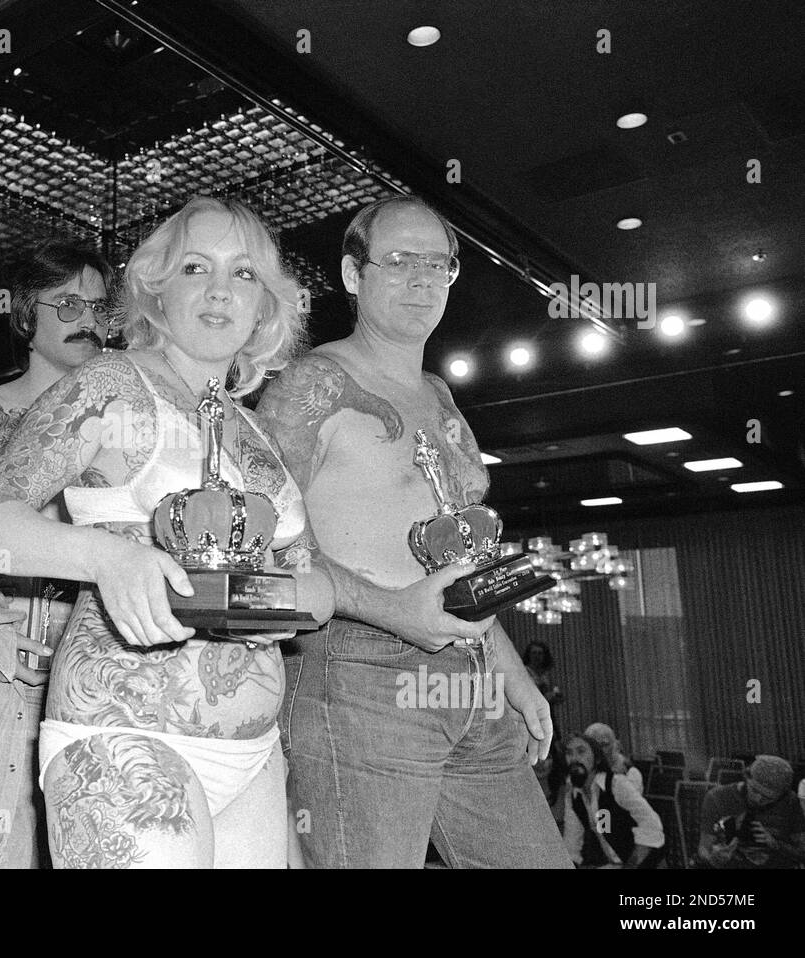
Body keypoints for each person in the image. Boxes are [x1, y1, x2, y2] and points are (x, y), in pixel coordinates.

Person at [0, 196, 335, 868]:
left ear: (267, 304)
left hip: (252, 759)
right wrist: (107, 559)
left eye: (244, 274)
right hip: (125, 742)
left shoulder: (255, 434)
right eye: (196, 266)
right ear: (154, 290)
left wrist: (285, 607)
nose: (221, 290)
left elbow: (316, 583)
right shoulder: (110, 386)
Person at [256, 194, 569, 868]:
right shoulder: (311, 386)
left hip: (471, 677)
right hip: (360, 674)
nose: (422, 280)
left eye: (439, 265)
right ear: (351, 274)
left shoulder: (440, 396)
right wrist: (394, 608)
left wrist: (511, 671)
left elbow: (466, 556)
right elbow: (258, 546)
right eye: (399, 261)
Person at [0, 237, 114, 867]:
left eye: (99, 306)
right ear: (24, 313)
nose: (86, 321)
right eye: (67, 303)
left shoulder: (127, 426)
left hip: (100, 675)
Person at [561, 733, 666, 867]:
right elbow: (571, 844)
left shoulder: (617, 784)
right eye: (569, 753)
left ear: (597, 758)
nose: (574, 758)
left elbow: (652, 825)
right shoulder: (574, 797)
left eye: (581, 751)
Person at [699, 754, 805, 868]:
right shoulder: (718, 797)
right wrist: (714, 857)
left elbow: (802, 851)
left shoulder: (790, 802)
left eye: (768, 797)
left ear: (782, 795)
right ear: (746, 777)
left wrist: (774, 844)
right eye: (754, 790)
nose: (758, 799)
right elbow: (704, 848)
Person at [584, 721, 643, 792]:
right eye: (594, 746)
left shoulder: (630, 773)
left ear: (616, 745)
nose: (599, 751)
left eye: (604, 745)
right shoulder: (584, 773)